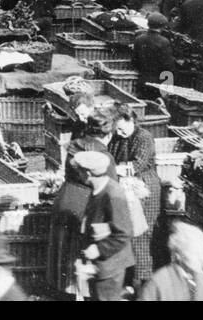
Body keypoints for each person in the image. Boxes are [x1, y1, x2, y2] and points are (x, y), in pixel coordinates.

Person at [48, 106, 116, 297]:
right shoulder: (104, 156)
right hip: (86, 205)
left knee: (63, 251)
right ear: (108, 133)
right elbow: (109, 186)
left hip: (66, 198)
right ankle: (81, 292)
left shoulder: (74, 145)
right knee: (81, 255)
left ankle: (63, 292)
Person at [109, 103, 160, 286]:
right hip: (125, 188)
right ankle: (130, 281)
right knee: (125, 234)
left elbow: (137, 165)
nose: (120, 133)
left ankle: (144, 285)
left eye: (122, 128)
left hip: (144, 188)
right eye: (117, 129)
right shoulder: (117, 138)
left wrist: (112, 168)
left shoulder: (144, 137)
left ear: (130, 120)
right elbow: (110, 156)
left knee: (141, 236)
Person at [73, 149, 134, 301]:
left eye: (78, 171)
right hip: (102, 265)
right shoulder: (98, 190)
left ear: (87, 174)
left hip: (111, 266)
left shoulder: (113, 194)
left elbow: (124, 232)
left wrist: (99, 249)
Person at [137, 222, 203, 301]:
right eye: (194, 252)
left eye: (201, 252)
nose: (201, 258)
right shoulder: (159, 282)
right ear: (177, 254)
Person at [132, 13, 175, 98]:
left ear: (148, 24)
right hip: (158, 83)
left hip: (142, 80)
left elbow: (134, 61)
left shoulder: (139, 39)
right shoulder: (164, 42)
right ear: (163, 26)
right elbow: (168, 66)